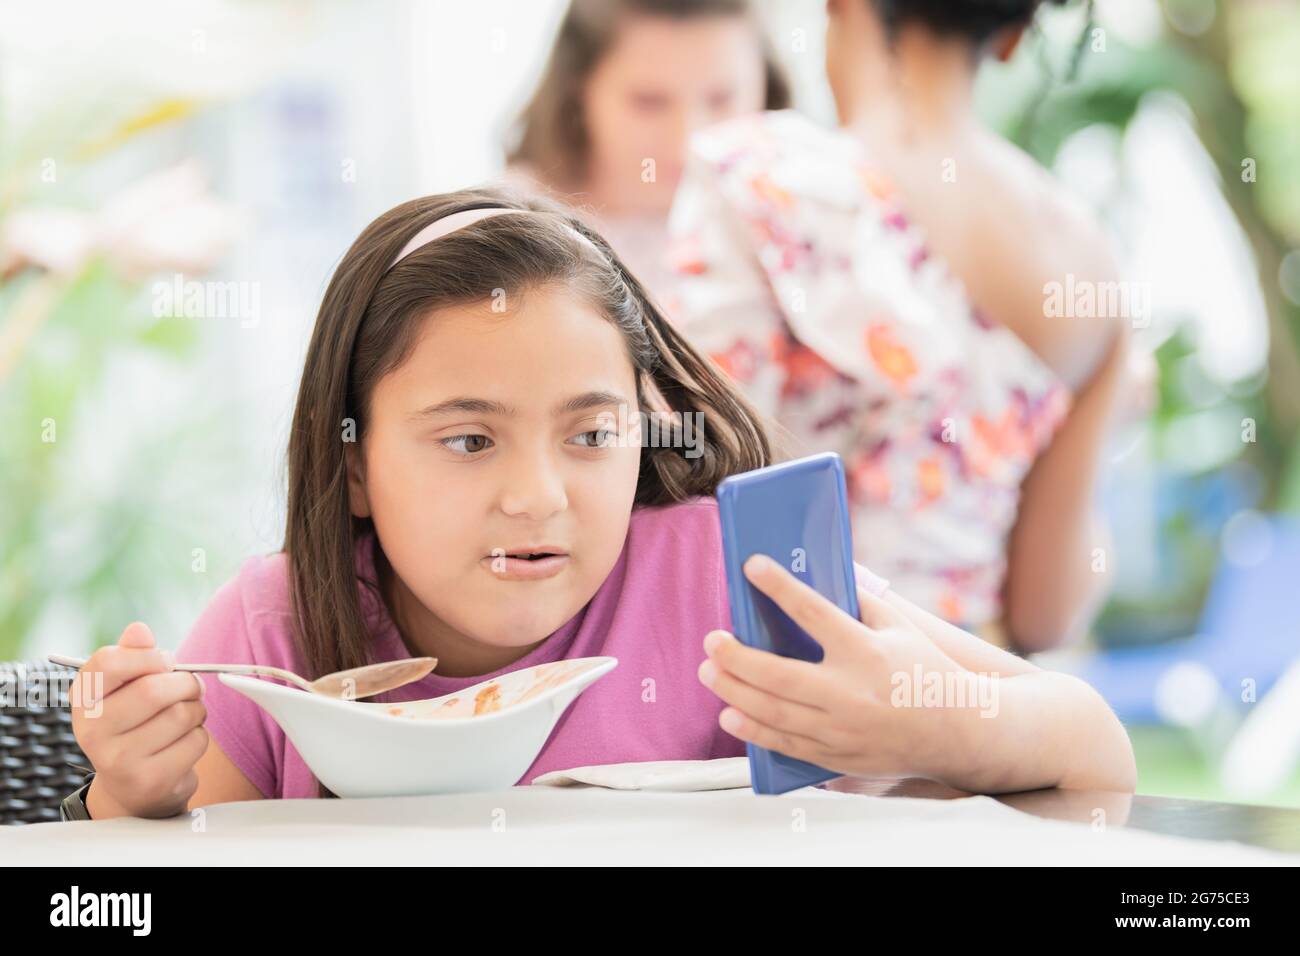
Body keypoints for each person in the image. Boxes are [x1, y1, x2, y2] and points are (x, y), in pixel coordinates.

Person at [67, 186, 1135, 818]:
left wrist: (924, 722)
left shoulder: (734, 581)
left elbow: (1092, 748)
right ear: (350, 461)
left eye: (589, 435)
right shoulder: (272, 633)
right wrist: (130, 796)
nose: (538, 496)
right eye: (469, 439)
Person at [665, 0, 1134, 653]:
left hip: (785, 708)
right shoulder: (1087, 258)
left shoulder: (757, 176)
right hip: (965, 717)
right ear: (1012, 37)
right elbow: (1044, 615)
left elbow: (690, 485)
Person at [506, 0, 789, 295]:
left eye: (721, 98)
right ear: (578, 90)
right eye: (649, 102)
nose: (687, 141)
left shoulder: (799, 221)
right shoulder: (510, 230)